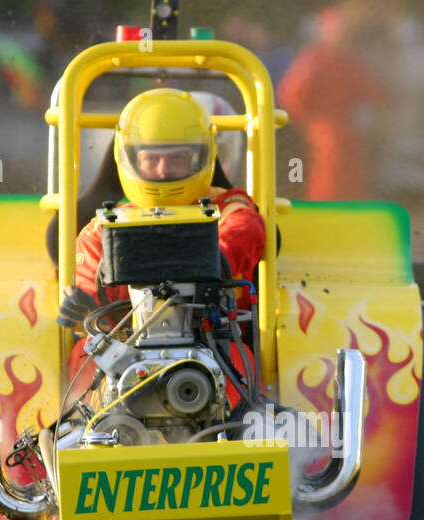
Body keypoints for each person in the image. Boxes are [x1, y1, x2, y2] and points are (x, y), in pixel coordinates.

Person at [63, 88, 266, 390]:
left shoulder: (228, 209)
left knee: (239, 362)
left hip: (213, 343)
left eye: (179, 158)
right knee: (85, 357)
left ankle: (238, 433)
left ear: (203, 157)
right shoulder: (101, 231)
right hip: (126, 351)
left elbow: (247, 232)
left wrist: (211, 260)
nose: (164, 171)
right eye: (151, 159)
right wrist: (88, 315)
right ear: (129, 158)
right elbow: (91, 307)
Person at [277, 6, 385, 201]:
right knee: (328, 176)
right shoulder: (315, 58)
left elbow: (373, 92)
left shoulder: (346, 59)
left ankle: (347, 216)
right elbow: (291, 95)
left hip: (343, 127)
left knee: (350, 174)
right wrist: (306, 123)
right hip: (325, 129)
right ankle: (325, 214)